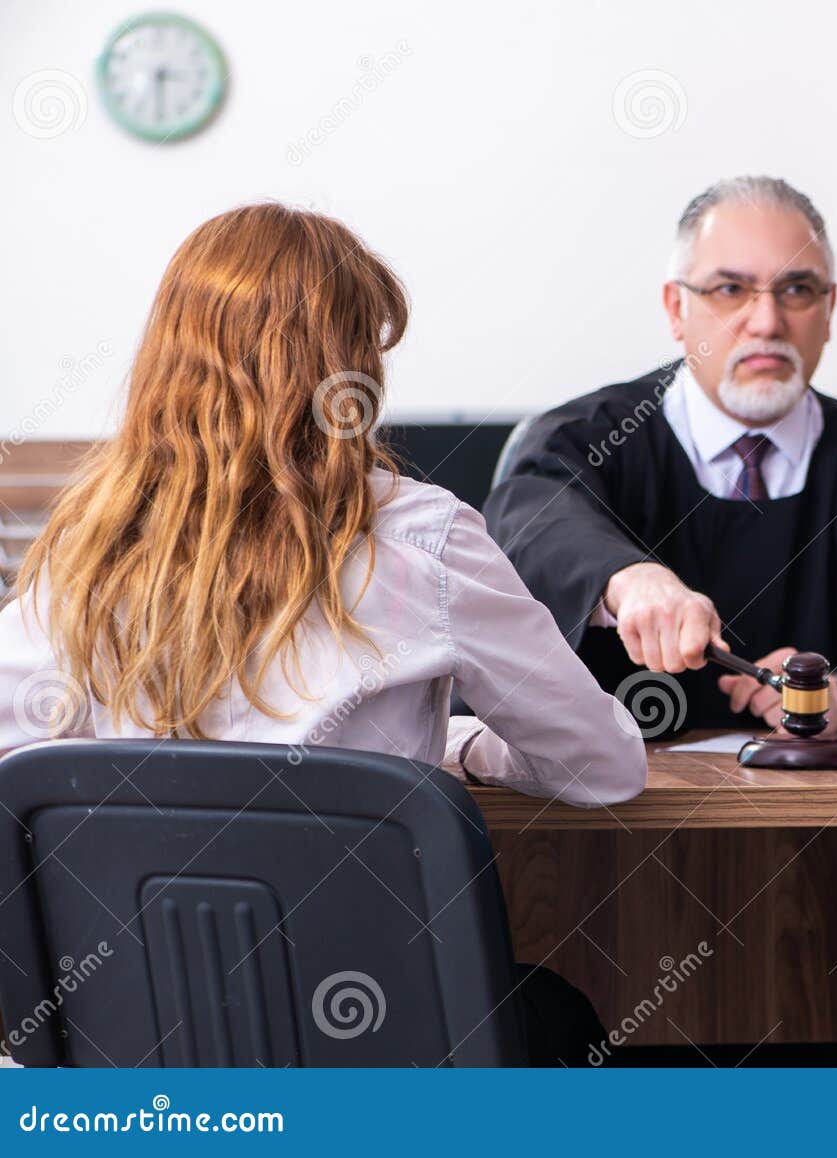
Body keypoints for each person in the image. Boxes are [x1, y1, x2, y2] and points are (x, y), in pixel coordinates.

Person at [0, 203, 646, 1064]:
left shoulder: (82, 553)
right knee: (558, 1016)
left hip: (128, 1049)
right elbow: (602, 767)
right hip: (377, 1045)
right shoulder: (426, 538)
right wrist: (465, 750)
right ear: (346, 371)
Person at [485, 176, 837, 737]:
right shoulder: (583, 437)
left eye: (796, 290)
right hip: (618, 816)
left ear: (829, 309)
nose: (766, 322)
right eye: (730, 289)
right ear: (675, 309)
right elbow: (531, 522)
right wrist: (626, 579)